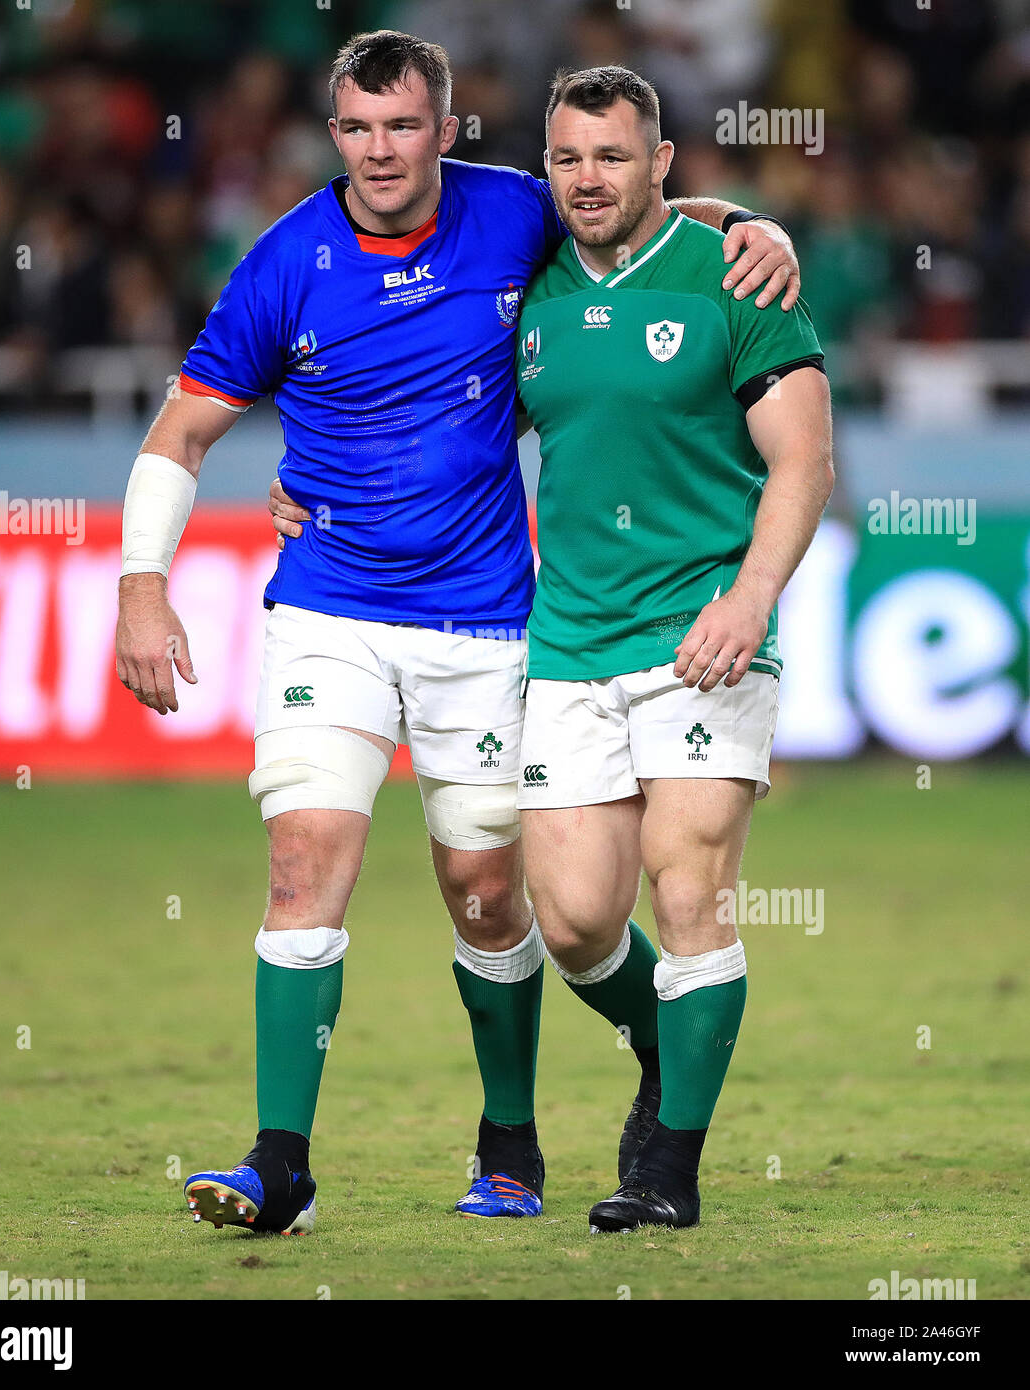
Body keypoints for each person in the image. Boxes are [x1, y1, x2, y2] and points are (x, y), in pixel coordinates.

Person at [116, 30, 802, 1235]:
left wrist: (756, 222)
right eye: (357, 128)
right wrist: (139, 582)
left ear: (444, 131)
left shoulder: (514, 213)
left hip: (485, 621)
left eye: (404, 126)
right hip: (325, 606)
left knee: (493, 897)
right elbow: (179, 435)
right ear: (333, 134)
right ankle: (281, 1163)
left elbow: (631, 208)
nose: (381, 150)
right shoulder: (284, 261)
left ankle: (521, 1142)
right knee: (300, 865)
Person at [511, 65, 833, 1233]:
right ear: (543, 166)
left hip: (704, 632)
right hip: (566, 640)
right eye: (565, 157)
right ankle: (672, 1049)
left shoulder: (735, 273)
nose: (586, 178)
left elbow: (803, 458)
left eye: (611, 155)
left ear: (662, 163)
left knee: (688, 888)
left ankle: (666, 1170)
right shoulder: (526, 287)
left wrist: (750, 597)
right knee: (576, 924)